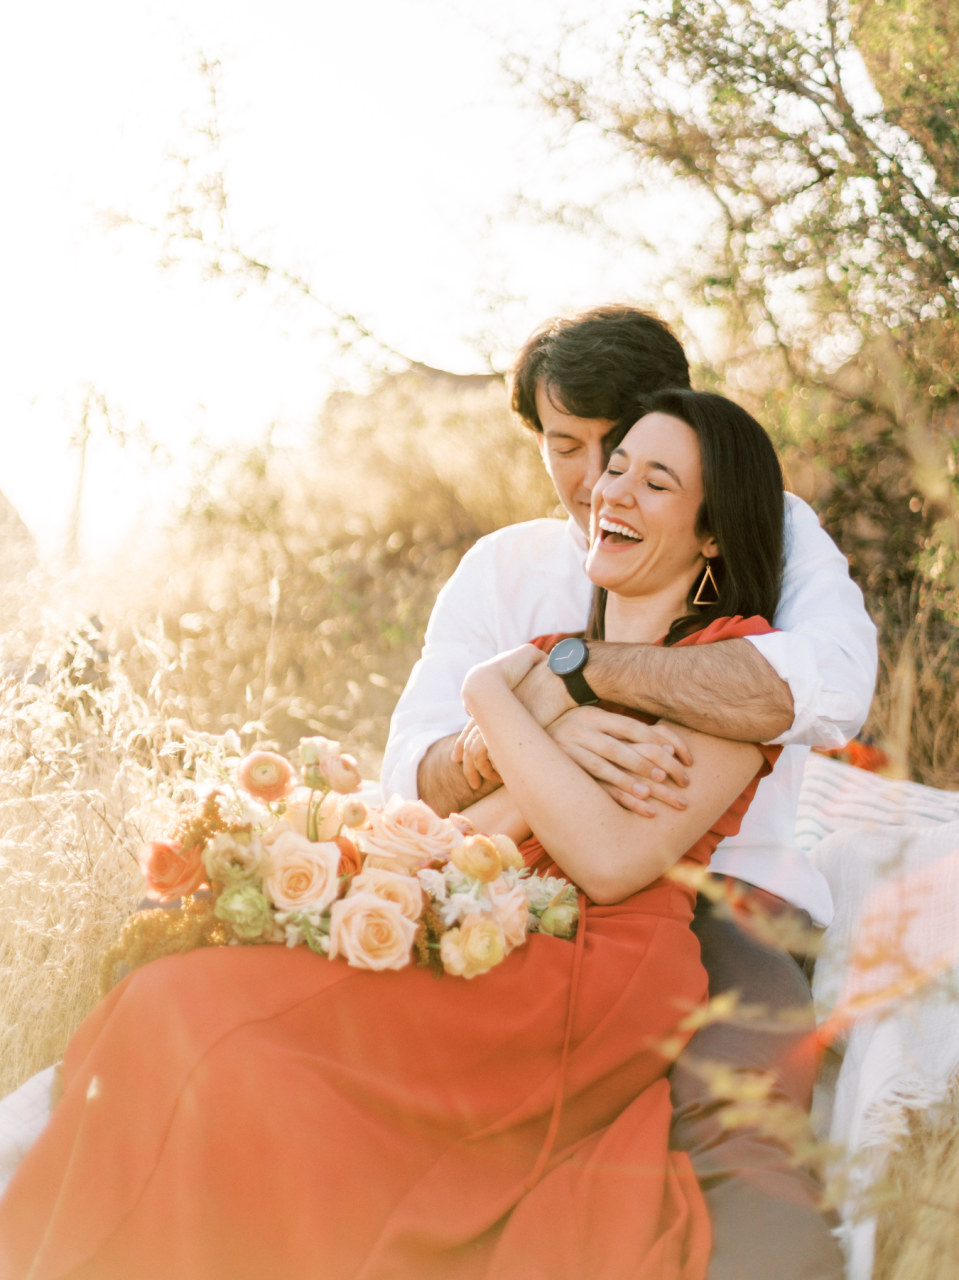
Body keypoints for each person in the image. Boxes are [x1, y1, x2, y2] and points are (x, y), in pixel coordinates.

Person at [5, 391, 793, 1279]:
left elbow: (611, 864)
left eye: (657, 483)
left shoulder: (725, 663)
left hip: (589, 969)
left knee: (217, 1032)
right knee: (167, 998)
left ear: (713, 533)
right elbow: (478, 827)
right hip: (490, 910)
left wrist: (493, 701)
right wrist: (545, 743)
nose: (613, 493)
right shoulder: (548, 653)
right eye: (615, 469)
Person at [383, 306, 878, 1280]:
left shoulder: (763, 525)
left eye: (623, 447)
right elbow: (418, 766)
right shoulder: (504, 568)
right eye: (566, 447)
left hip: (731, 890)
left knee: (734, 1114)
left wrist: (578, 670)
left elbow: (817, 683)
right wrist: (542, 728)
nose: (594, 478)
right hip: (527, 882)